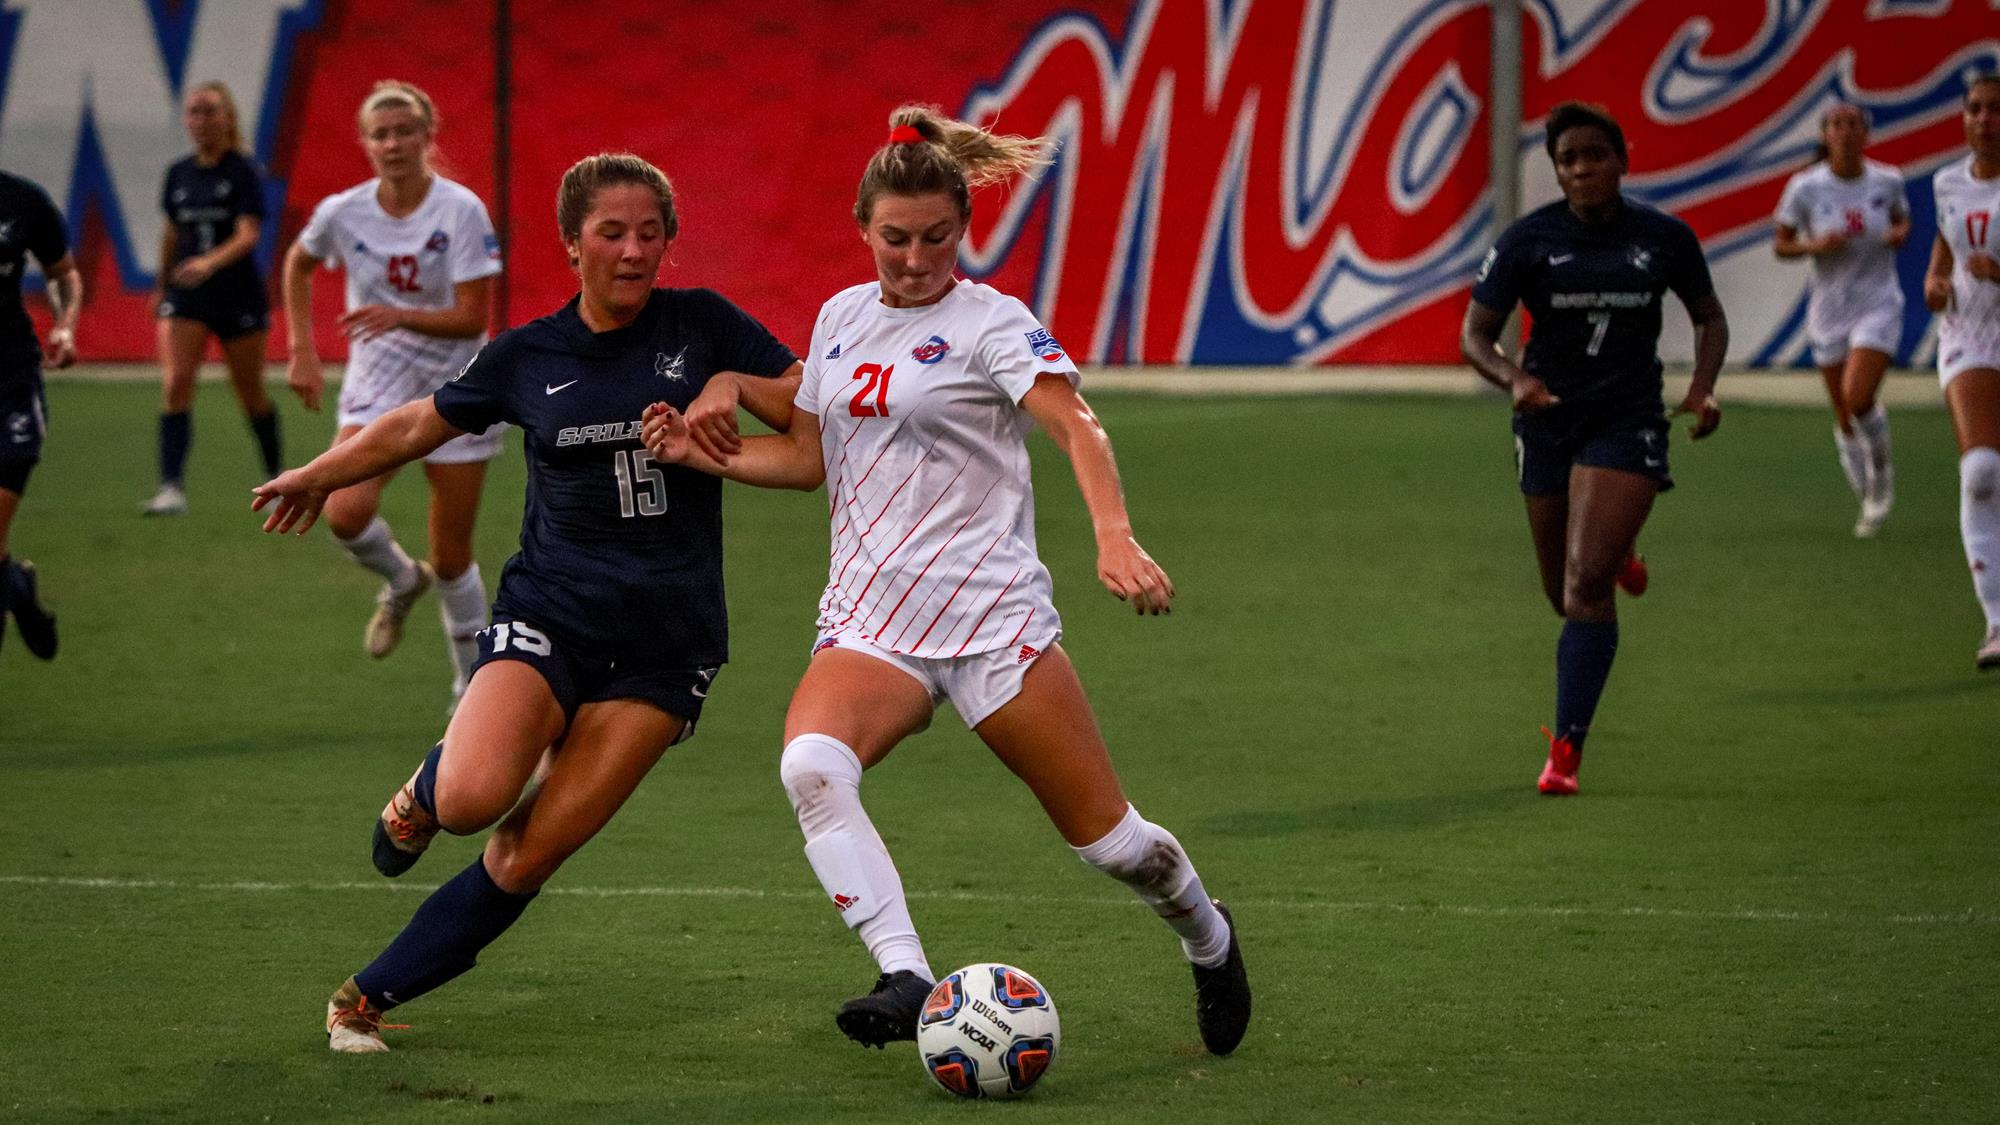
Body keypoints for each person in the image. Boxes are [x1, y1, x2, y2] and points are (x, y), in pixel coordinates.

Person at [640, 106, 1252, 1058]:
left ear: (960, 232)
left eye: (936, 238)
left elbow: (1076, 426)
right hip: (871, 622)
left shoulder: (992, 322)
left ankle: (1208, 936)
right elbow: (808, 459)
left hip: (990, 620)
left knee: (1113, 844)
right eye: (895, 238)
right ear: (864, 228)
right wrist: (697, 451)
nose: (916, 258)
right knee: (810, 767)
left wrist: (1115, 536)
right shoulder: (841, 318)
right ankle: (905, 971)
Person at [255, 151, 802, 1053]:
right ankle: (430, 785)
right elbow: (415, 422)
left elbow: (806, 407)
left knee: (530, 849)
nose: (633, 251)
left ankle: (363, 996)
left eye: (650, 233)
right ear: (570, 245)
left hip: (669, 645)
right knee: (472, 799)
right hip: (552, 612)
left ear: (670, 240)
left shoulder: (702, 325)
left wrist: (731, 386)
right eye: (611, 233)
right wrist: (322, 470)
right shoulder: (528, 354)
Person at [1459, 101, 1728, 795]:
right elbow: (1475, 336)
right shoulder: (1528, 241)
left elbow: (1708, 316)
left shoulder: (1664, 237)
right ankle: (1618, 551)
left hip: (1628, 417)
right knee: (1564, 593)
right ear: (1557, 171)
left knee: (1585, 585)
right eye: (1568, 159)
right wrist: (1514, 378)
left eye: (1595, 155)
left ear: (1622, 160)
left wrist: (1701, 389)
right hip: (1548, 421)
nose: (1582, 169)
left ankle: (1567, 752)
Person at [281, 80, 503, 702]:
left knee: (454, 552)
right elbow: (298, 262)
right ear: (365, 144)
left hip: (459, 382)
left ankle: (474, 690)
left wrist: (398, 314)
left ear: (428, 138)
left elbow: (470, 317)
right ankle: (403, 581)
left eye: (406, 131)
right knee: (345, 510)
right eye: (381, 134)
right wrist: (301, 348)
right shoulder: (343, 211)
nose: (394, 143)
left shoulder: (460, 211)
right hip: (379, 377)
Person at [144, 81, 287, 517]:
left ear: (228, 118)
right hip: (187, 294)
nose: (200, 121)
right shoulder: (179, 172)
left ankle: (277, 482)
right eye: (194, 112)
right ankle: (171, 488)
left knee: (250, 393)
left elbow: (248, 234)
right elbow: (172, 231)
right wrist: (163, 283)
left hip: (236, 295)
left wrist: (209, 262)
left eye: (209, 111)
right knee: (176, 384)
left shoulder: (242, 171)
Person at [1773, 103, 1912, 537]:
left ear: (1866, 134)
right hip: (1830, 307)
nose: (1846, 132)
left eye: (1854, 125)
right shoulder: (1806, 187)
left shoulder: (1887, 180)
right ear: (1825, 135)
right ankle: (1867, 493)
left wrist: (1898, 235)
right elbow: (1782, 244)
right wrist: (1815, 245)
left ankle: (1882, 475)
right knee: (1843, 411)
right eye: (1837, 125)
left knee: (1858, 394)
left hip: (1878, 301)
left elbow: (1902, 220)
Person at [1923, 73, 2000, 669]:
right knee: (1979, 470)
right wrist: (1936, 278)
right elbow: (1945, 247)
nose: (1983, 119)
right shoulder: (1946, 182)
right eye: (1974, 109)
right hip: (1969, 333)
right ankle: (1997, 621)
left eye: (1996, 109)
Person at [0, 170, 80, 660]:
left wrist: (65, 326)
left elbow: (63, 273)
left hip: (10, 385)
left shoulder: (22, 200)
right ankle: (19, 590)